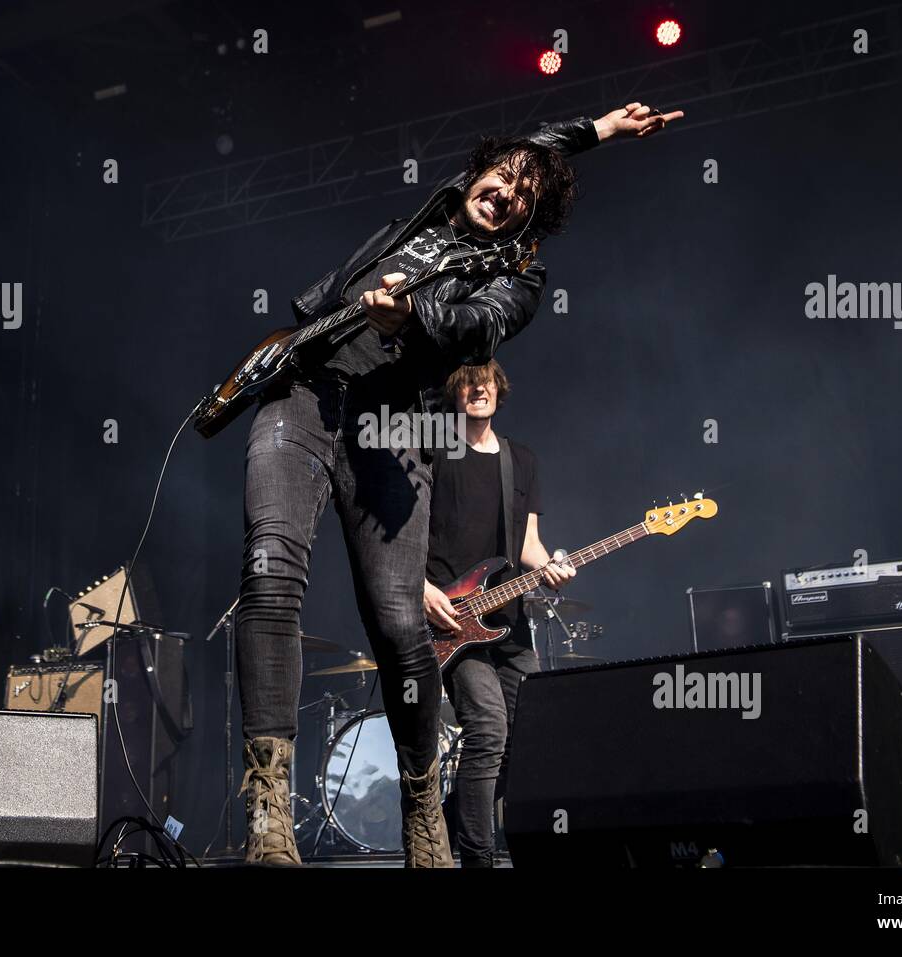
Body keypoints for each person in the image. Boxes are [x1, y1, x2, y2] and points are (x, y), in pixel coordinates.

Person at [234, 103, 682, 866]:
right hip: (304, 400)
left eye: (523, 197)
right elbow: (531, 144)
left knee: (403, 632)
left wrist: (412, 313)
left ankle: (421, 808)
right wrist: (601, 129)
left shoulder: (521, 277)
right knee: (269, 572)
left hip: (396, 430)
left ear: (526, 223)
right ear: (476, 174)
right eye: (501, 176)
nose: (506, 191)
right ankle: (269, 810)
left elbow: (475, 330)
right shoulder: (438, 208)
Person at [423, 359, 574, 867]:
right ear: (454, 390)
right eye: (467, 380)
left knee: (533, 736)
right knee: (488, 731)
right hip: (452, 620)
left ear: (499, 389)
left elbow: (527, 543)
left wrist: (551, 563)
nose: (478, 388)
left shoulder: (521, 460)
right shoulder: (433, 452)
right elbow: (399, 539)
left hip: (508, 621)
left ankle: (448, 818)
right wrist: (422, 588)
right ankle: (478, 859)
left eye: (485, 379)